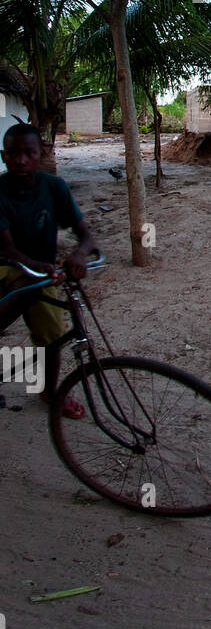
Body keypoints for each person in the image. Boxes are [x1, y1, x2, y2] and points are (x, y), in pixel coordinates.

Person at [0, 122, 99, 417]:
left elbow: (87, 234)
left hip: (41, 269)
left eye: (29, 153)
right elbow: (6, 249)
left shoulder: (54, 187)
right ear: (4, 156)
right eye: (13, 154)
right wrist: (40, 266)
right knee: (20, 291)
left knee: (53, 336)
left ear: (41, 153)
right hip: (6, 265)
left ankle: (49, 392)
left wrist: (79, 255)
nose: (21, 160)